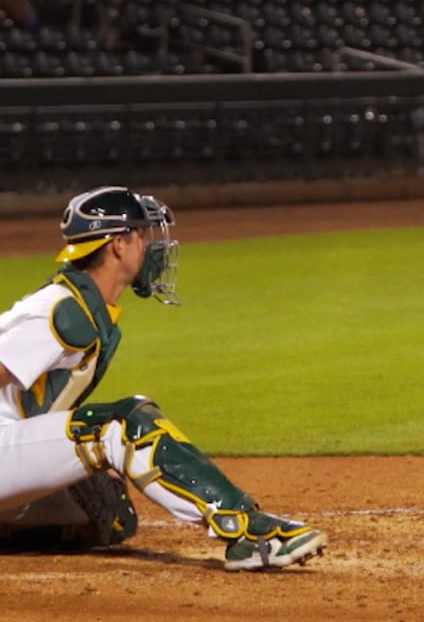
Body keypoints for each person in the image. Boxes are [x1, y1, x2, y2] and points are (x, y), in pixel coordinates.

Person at [0, 187, 328, 571]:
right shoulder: (64, 311)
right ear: (118, 245)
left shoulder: (83, 304)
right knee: (121, 425)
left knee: (107, 510)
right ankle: (248, 533)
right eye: (141, 235)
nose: (150, 247)